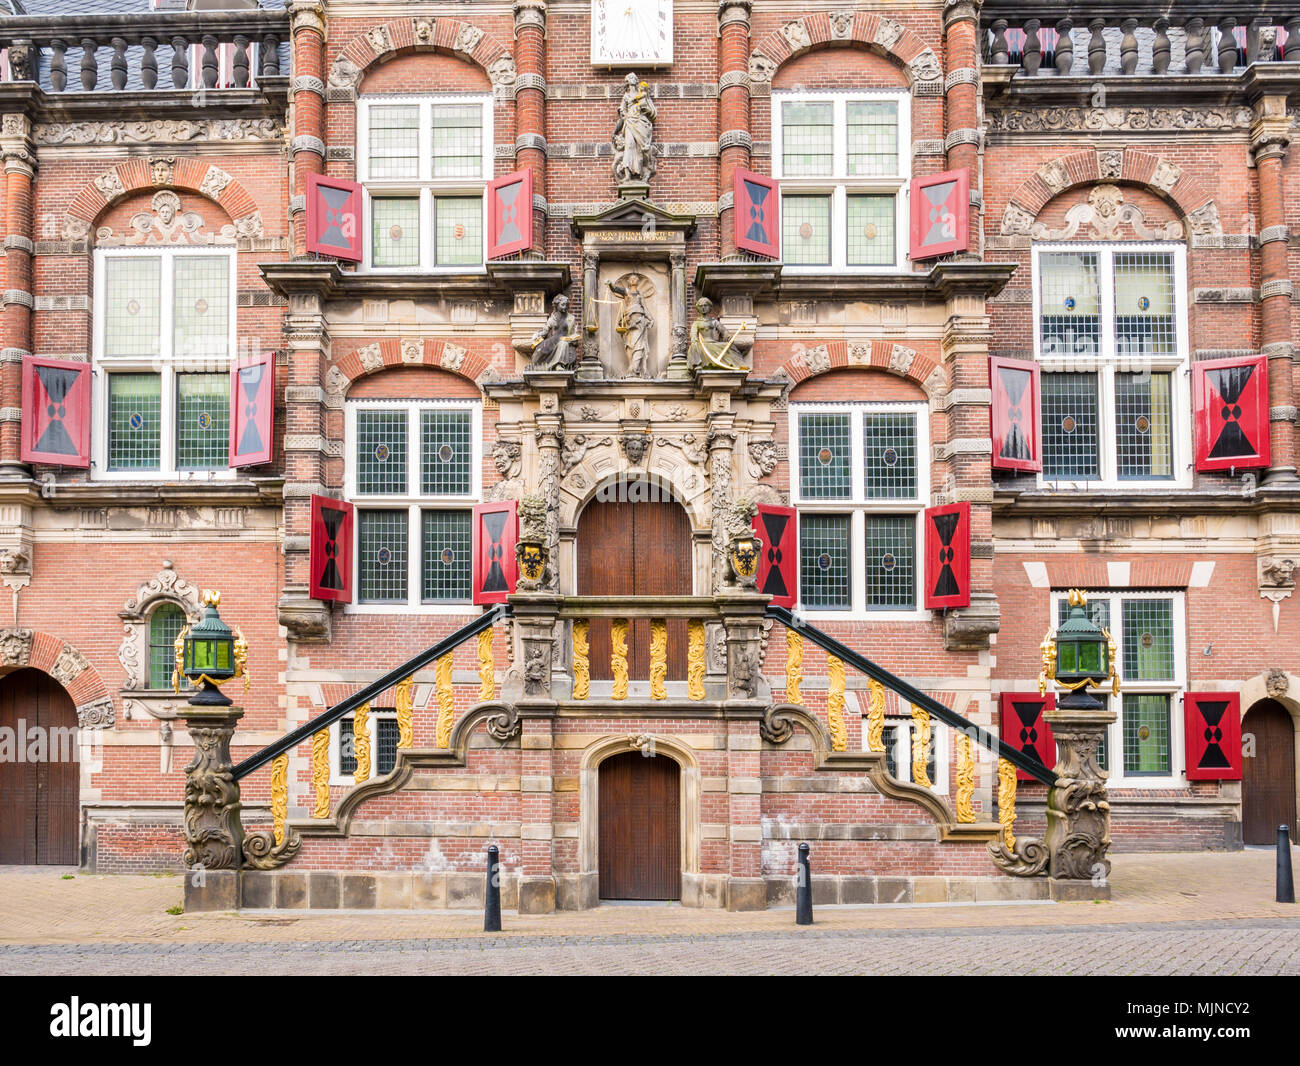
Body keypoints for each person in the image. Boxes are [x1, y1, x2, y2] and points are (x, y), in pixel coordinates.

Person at [612, 73, 657, 186]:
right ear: (627, 82)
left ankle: (642, 172)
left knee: (641, 149)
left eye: (634, 78)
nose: (632, 79)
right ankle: (627, 175)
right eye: (630, 78)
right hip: (630, 123)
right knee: (629, 146)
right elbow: (622, 113)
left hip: (641, 123)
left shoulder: (642, 94)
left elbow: (652, 112)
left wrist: (645, 108)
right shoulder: (626, 96)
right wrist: (617, 130)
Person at [608, 276, 652, 377]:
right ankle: (631, 367)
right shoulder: (626, 291)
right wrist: (609, 283)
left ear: (638, 281)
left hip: (640, 321)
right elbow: (614, 289)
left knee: (639, 345)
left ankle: (634, 369)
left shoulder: (640, 294)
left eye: (635, 278)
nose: (633, 279)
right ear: (628, 281)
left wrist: (651, 319)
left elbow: (645, 308)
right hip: (629, 320)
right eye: (631, 278)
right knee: (629, 344)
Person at [529, 294, 579, 369]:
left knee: (563, 344)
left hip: (564, 340)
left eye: (566, 305)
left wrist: (570, 339)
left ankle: (558, 365)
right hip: (553, 341)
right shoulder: (552, 318)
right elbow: (545, 331)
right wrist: (537, 335)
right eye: (562, 305)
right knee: (541, 350)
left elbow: (574, 334)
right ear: (557, 305)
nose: (565, 307)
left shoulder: (571, 318)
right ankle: (539, 366)